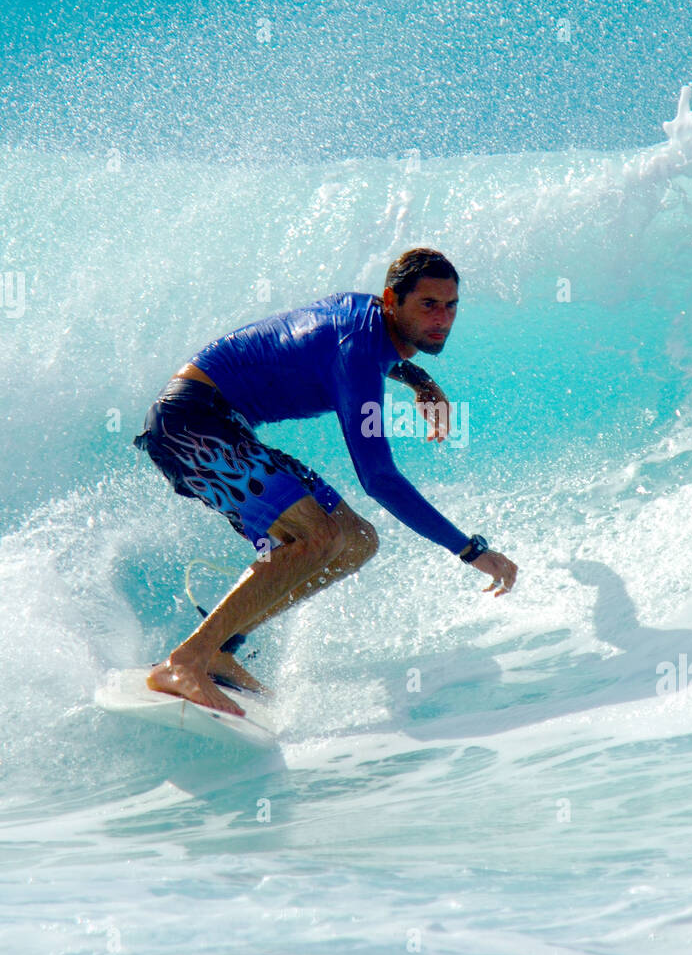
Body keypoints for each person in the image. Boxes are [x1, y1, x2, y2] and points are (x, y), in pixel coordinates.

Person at [133, 247, 518, 715]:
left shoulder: (369, 325)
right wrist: (469, 549)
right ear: (391, 300)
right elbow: (378, 478)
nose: (442, 319)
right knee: (318, 536)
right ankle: (185, 663)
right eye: (429, 305)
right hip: (191, 424)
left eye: (451, 305)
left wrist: (418, 379)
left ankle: (219, 649)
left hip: (219, 424)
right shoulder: (356, 350)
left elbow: (362, 352)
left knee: (356, 541)